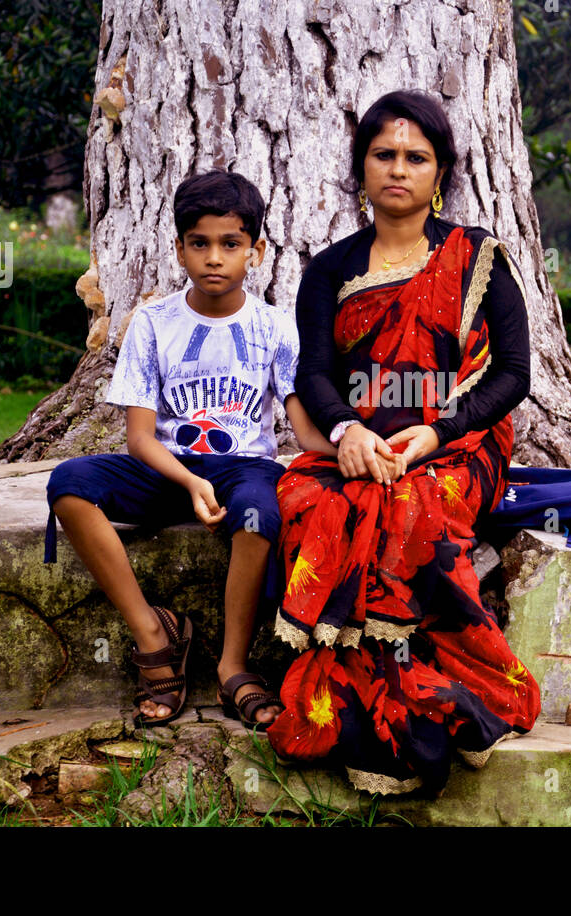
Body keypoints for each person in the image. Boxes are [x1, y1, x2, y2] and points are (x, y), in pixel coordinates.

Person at [264, 89, 542, 795]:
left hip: (457, 442)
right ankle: (375, 693)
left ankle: (451, 675)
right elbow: (314, 374)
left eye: (415, 157)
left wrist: (439, 430)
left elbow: (514, 374)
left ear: (439, 172)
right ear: (360, 167)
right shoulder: (330, 268)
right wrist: (349, 431)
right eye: (383, 154)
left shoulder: (476, 257)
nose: (398, 168)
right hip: (357, 445)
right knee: (309, 498)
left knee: (415, 504)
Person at [44, 170, 337, 728]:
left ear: (256, 251)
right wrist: (189, 481)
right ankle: (154, 633)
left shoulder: (276, 327)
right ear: (179, 249)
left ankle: (232, 668)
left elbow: (301, 431)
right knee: (70, 484)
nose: (214, 258)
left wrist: (350, 446)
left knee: (258, 514)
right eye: (199, 243)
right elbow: (138, 437)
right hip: (165, 467)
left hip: (243, 467)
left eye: (230, 244)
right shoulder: (154, 324)